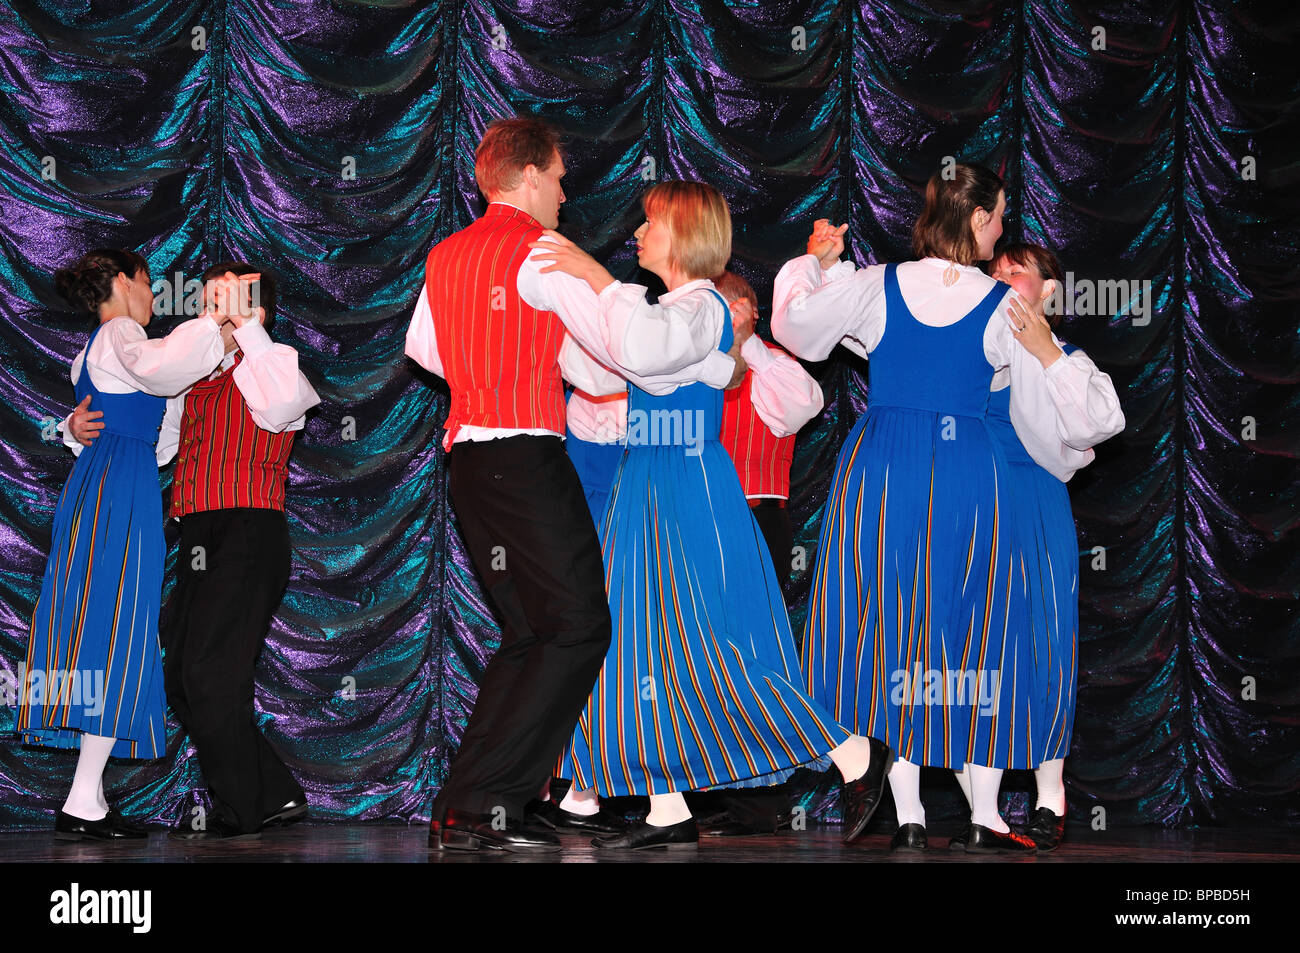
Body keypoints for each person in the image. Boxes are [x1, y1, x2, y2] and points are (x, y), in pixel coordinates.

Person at [406, 118, 742, 853]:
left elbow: (425, 350)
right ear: (528, 178)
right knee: (581, 626)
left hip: (469, 459)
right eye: (559, 178)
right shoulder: (543, 254)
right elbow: (626, 347)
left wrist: (505, 367)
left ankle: (470, 808)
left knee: (532, 633)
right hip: (526, 455)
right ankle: (487, 801)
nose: (565, 193)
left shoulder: (445, 254)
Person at [529, 180, 888, 851]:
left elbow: (642, 356)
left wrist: (588, 276)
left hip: (686, 479)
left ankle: (854, 754)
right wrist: (563, 297)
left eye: (650, 224)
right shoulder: (673, 310)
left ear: (687, 235)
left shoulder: (700, 308)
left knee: (710, 645)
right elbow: (609, 364)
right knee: (639, 641)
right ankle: (666, 808)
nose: (637, 235)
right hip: (650, 480)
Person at [772, 164, 1073, 853]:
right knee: (964, 625)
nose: (1001, 229)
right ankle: (970, 799)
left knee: (865, 609)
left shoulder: (877, 282)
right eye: (997, 216)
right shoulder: (1003, 306)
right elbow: (1038, 412)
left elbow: (797, 328)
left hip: (883, 463)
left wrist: (813, 265)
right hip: (969, 470)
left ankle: (864, 746)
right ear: (975, 221)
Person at [67, 263, 320, 840]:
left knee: (210, 671)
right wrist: (76, 428)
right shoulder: (195, 374)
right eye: (209, 299)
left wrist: (248, 329)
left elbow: (286, 408)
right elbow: (152, 440)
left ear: (257, 309)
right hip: (198, 537)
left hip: (250, 532)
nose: (212, 309)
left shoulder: (271, 361)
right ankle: (275, 794)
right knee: (181, 674)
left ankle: (241, 810)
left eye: (226, 299)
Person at [19, 248, 224, 840]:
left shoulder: (99, 349)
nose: (155, 296)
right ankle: (84, 800)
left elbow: (149, 423)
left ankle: (87, 798)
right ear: (123, 283)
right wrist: (213, 323)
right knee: (115, 623)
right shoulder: (119, 333)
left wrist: (68, 428)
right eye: (148, 283)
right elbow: (160, 371)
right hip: (118, 487)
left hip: (108, 481)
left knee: (98, 621)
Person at [949, 242, 1121, 851]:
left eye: (1014, 274)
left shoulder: (1068, 359)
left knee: (1043, 644)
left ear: (1048, 291)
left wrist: (1044, 348)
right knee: (976, 654)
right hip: (974, 517)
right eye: (993, 273)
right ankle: (984, 813)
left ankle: (1051, 795)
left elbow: (1098, 424)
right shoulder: (968, 359)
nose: (1000, 281)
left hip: (1037, 512)